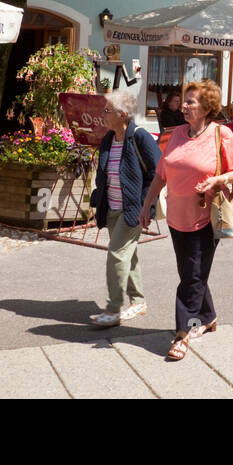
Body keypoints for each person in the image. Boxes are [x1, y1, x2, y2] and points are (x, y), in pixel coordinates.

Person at [139, 79, 233, 361]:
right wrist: (147, 204)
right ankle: (209, 316)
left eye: (190, 102)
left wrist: (217, 179)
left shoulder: (221, 135)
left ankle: (183, 333)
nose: (184, 106)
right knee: (191, 273)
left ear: (206, 107)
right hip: (177, 217)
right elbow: (162, 173)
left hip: (205, 218)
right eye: (184, 101)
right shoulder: (177, 134)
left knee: (192, 276)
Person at [90, 87, 162, 327]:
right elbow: (105, 175)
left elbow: (158, 172)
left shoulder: (139, 137)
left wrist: (145, 205)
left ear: (122, 114)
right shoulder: (109, 139)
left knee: (116, 255)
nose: (103, 113)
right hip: (111, 208)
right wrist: (96, 200)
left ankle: (112, 309)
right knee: (127, 257)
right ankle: (138, 301)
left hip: (133, 209)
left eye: (107, 110)